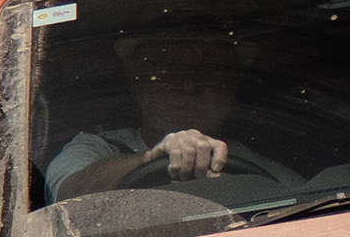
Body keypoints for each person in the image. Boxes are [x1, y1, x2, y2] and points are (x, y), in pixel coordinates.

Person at [47, 27, 284, 201]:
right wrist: (150, 160)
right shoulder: (96, 149)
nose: (190, 86)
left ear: (233, 87)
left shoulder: (261, 167)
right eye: (171, 71)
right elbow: (68, 195)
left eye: (213, 71)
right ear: (136, 84)